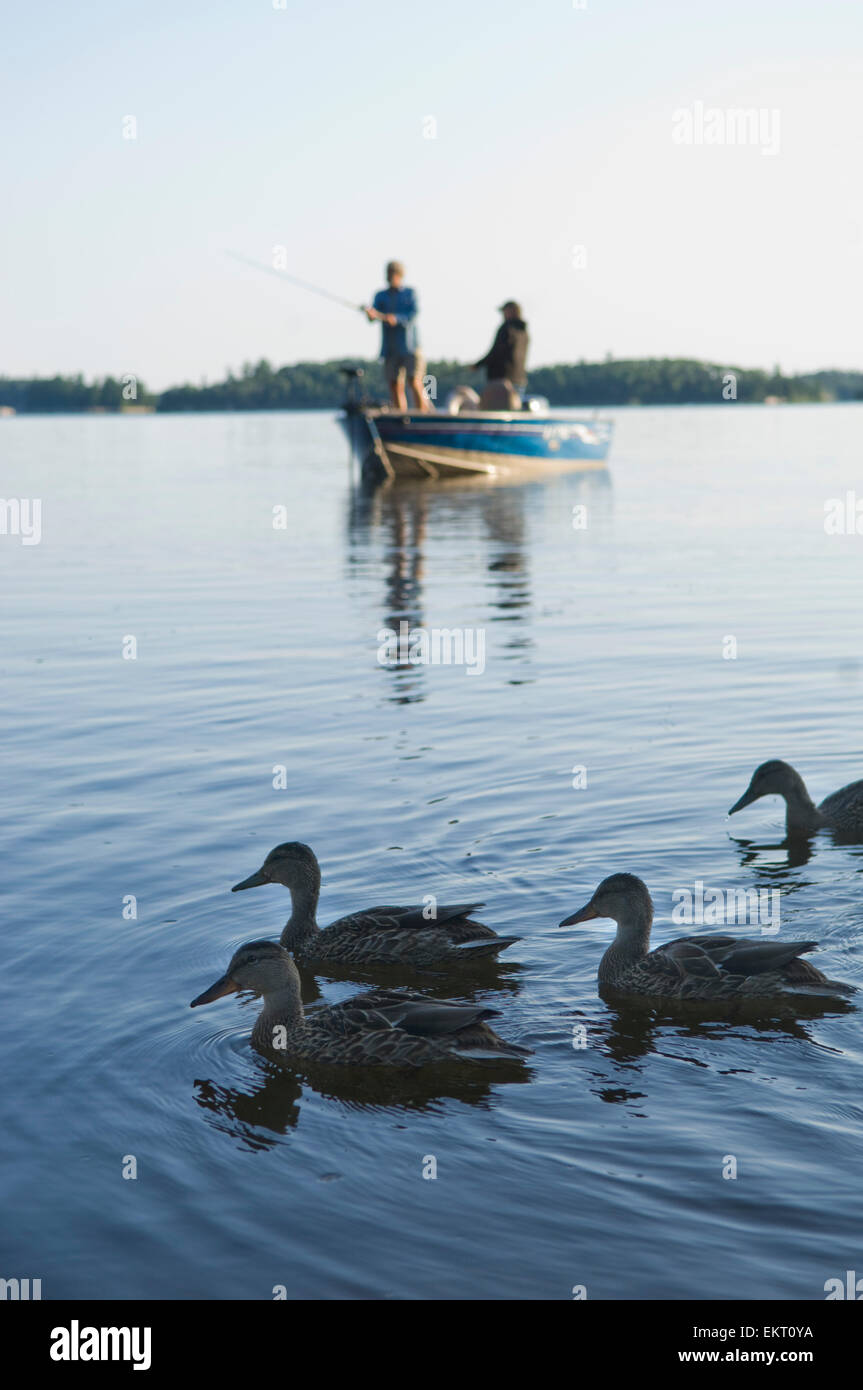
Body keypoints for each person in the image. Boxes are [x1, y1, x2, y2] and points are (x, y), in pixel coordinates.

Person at [364, 261, 430, 412]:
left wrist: (396, 319)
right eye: (388, 274)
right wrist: (371, 314)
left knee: (414, 381)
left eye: (393, 274)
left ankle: (422, 415)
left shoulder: (410, 293)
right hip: (390, 348)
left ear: (400, 275)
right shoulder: (380, 295)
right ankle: (402, 417)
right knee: (394, 384)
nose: (390, 277)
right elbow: (373, 315)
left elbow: (413, 314)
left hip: (411, 347)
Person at [471, 301, 529, 410]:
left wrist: (477, 365)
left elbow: (496, 352)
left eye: (505, 311)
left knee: (497, 410)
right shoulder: (524, 332)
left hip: (501, 382)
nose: (503, 314)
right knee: (514, 411)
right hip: (520, 380)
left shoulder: (506, 329)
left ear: (513, 311)